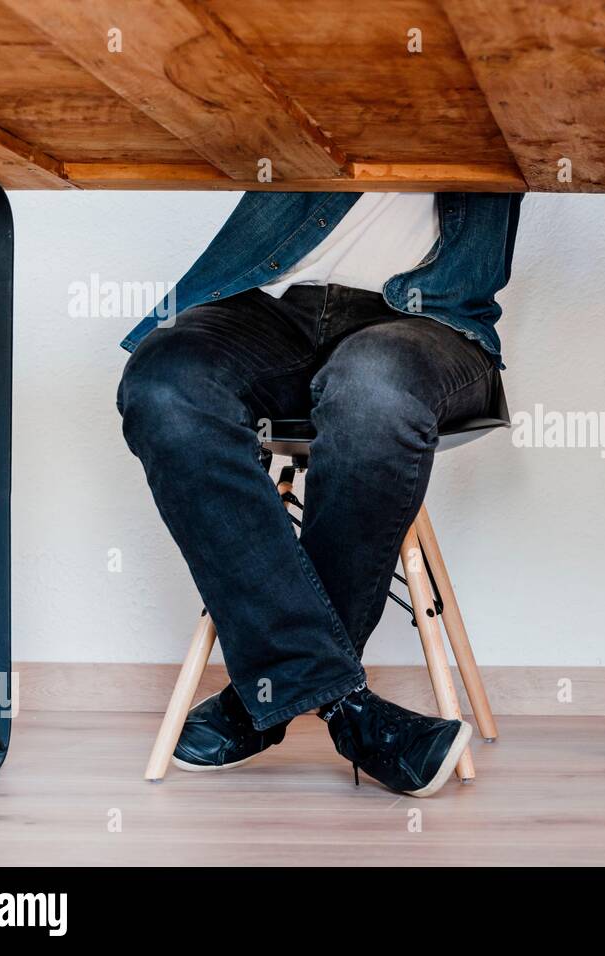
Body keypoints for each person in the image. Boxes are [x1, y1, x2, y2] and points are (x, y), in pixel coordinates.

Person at [117, 191, 521, 797]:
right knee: (165, 386)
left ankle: (268, 693)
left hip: (427, 317)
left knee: (374, 395)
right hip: (267, 305)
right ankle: (343, 706)